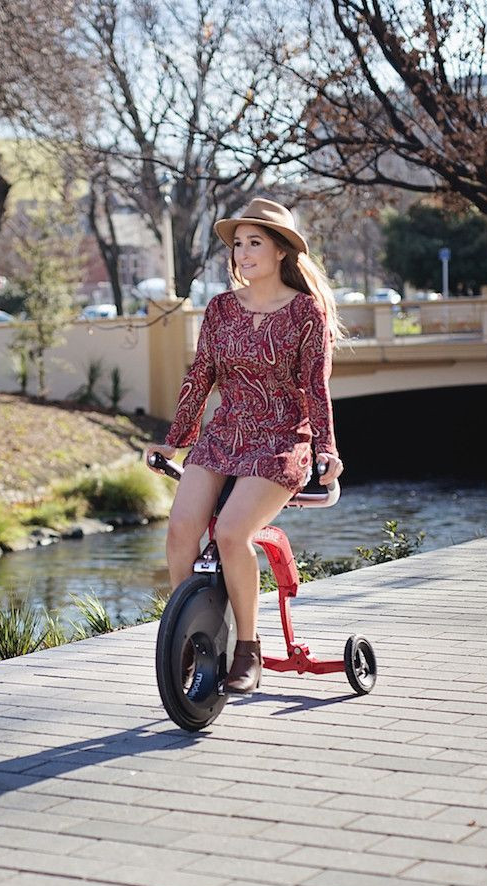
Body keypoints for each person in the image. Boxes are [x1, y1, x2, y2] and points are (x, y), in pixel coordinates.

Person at [144, 197, 345, 695]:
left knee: (233, 533)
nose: (244, 253)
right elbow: (200, 378)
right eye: (238, 245)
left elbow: (315, 388)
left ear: (280, 251)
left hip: (280, 439)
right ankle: (190, 637)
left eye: (255, 243)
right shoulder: (220, 309)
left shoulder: (306, 313)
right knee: (180, 530)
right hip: (224, 434)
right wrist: (174, 443)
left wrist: (326, 451)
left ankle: (246, 650)